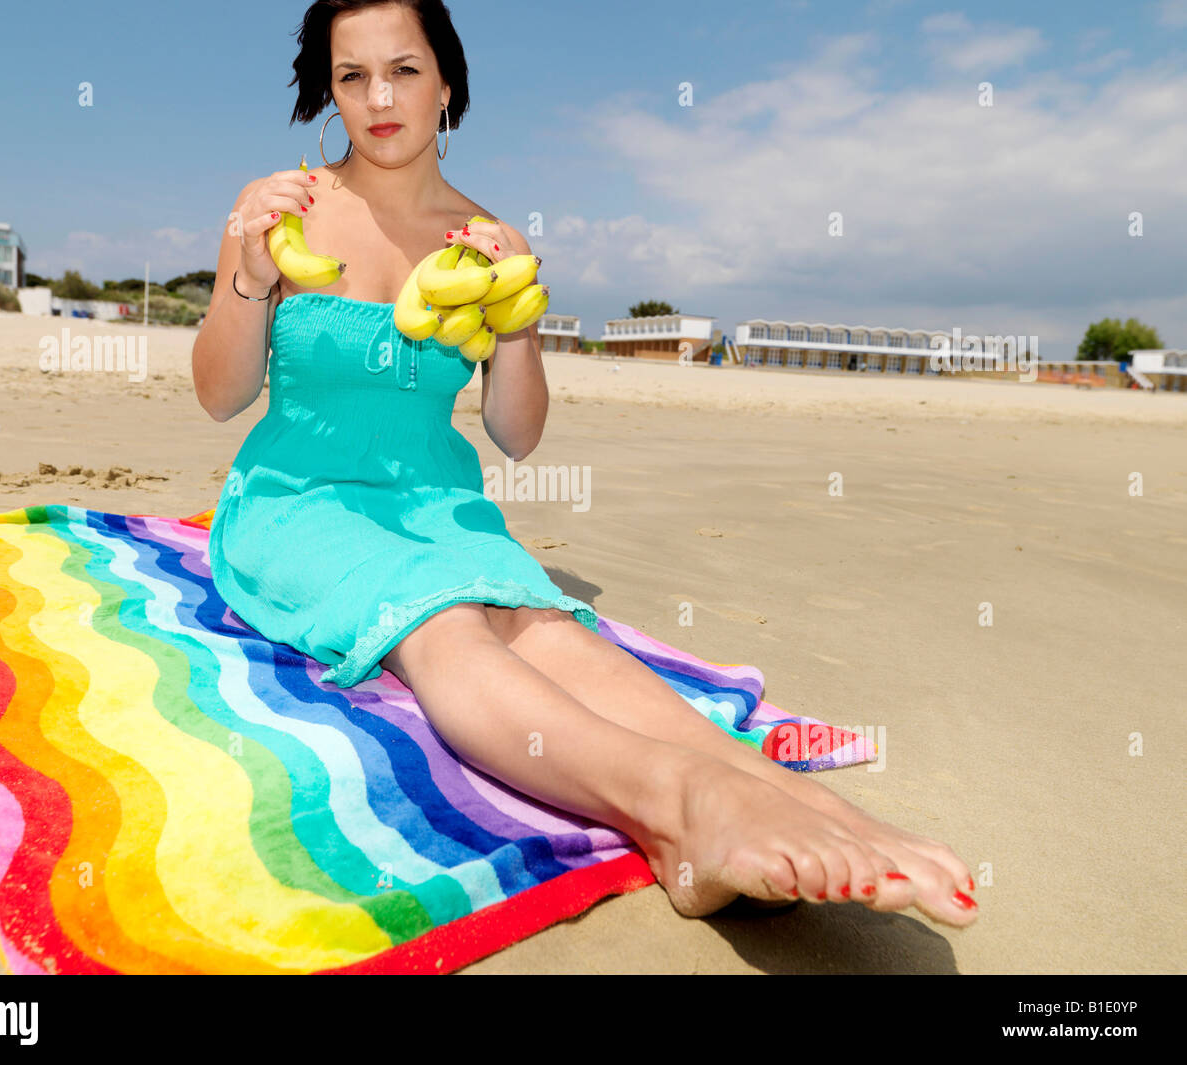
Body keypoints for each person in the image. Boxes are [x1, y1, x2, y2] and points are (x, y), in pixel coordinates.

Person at [191, 0, 979, 928]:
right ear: (328, 89)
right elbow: (220, 395)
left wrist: (517, 321)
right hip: (297, 501)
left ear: (447, 82)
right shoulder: (281, 212)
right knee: (443, 627)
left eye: (404, 70)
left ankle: (795, 796)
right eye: (352, 75)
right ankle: (681, 805)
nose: (379, 98)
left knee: (548, 627)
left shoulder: (483, 240)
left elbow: (517, 435)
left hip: (438, 506)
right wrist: (246, 270)